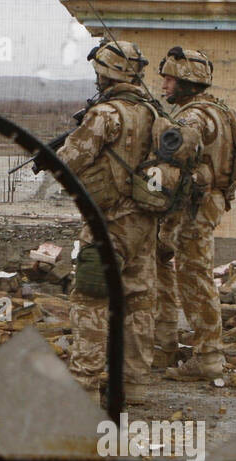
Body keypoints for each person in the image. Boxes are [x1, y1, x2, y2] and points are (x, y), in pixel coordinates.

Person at [56, 38, 165, 386]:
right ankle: (134, 384)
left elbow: (71, 161)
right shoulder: (153, 112)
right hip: (145, 222)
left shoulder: (106, 114)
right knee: (139, 299)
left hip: (109, 221)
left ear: (106, 74)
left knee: (90, 298)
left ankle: (85, 384)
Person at [152, 46, 236, 380]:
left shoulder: (194, 116)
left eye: (169, 79)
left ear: (186, 82)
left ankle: (207, 358)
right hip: (206, 203)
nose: (164, 85)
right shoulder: (219, 110)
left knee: (194, 277)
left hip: (195, 207)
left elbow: (178, 148)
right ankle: (165, 343)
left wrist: (162, 140)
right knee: (162, 258)